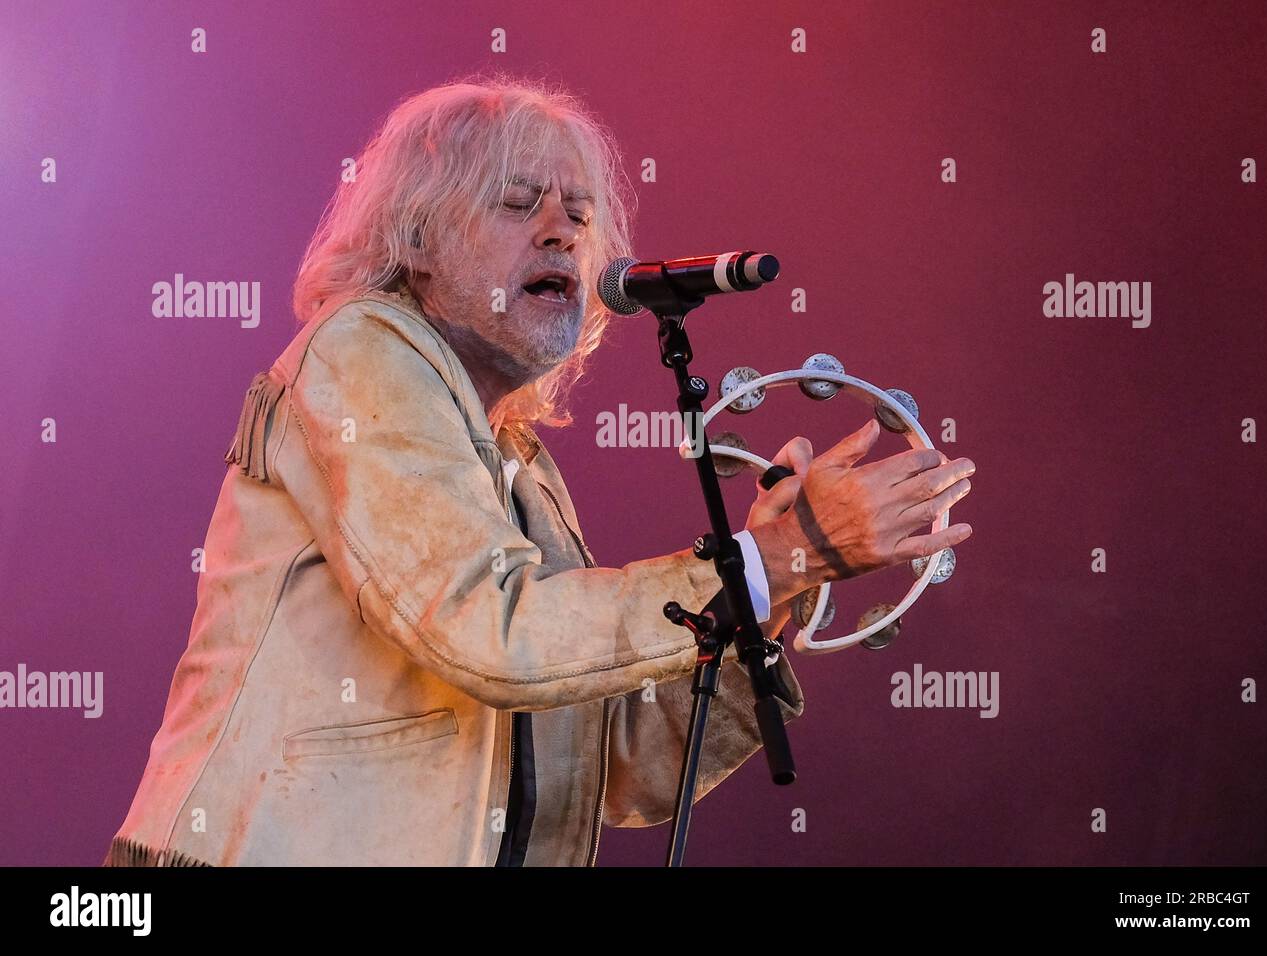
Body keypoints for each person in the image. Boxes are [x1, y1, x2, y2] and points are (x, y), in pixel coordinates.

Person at [104, 75, 975, 867]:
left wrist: (771, 588)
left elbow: (620, 770)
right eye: (518, 203)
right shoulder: (359, 348)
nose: (562, 230)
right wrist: (779, 557)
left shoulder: (520, 460)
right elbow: (488, 630)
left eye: (581, 216)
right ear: (417, 237)